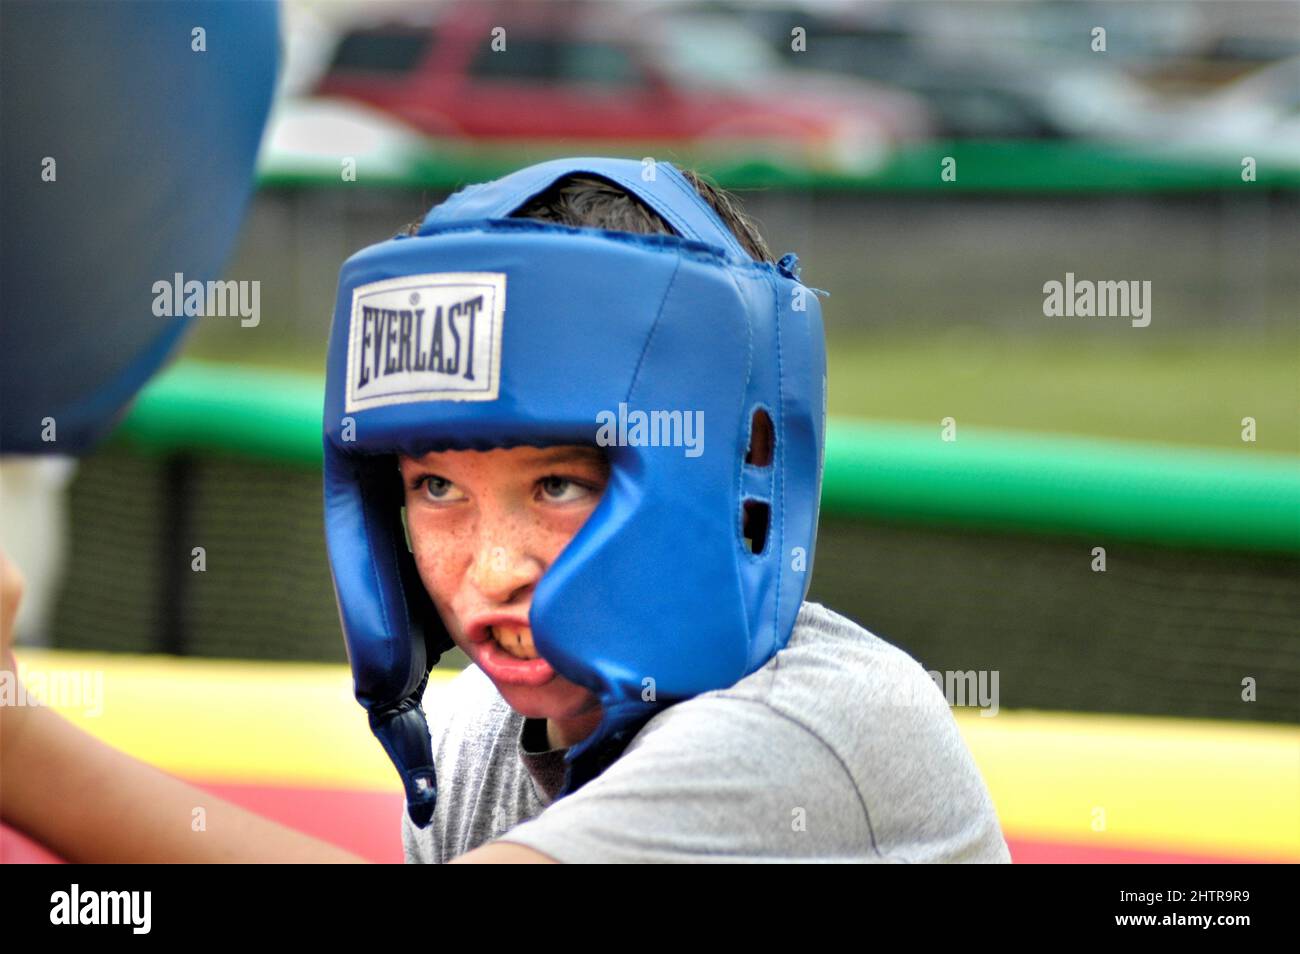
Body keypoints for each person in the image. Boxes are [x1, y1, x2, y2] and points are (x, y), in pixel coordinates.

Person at [323, 158, 1013, 864]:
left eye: (559, 484)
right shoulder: (471, 736)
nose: (495, 572)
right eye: (438, 488)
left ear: (735, 464)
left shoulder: (815, 723)